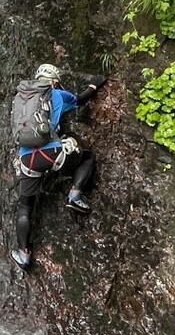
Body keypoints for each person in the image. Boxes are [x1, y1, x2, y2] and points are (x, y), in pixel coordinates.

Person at [7, 63, 103, 269]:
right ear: (54, 81)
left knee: (25, 207)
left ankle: (24, 255)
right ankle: (75, 195)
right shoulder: (57, 94)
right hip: (52, 155)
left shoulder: (20, 101)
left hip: (27, 160)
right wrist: (93, 86)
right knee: (86, 157)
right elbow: (80, 100)